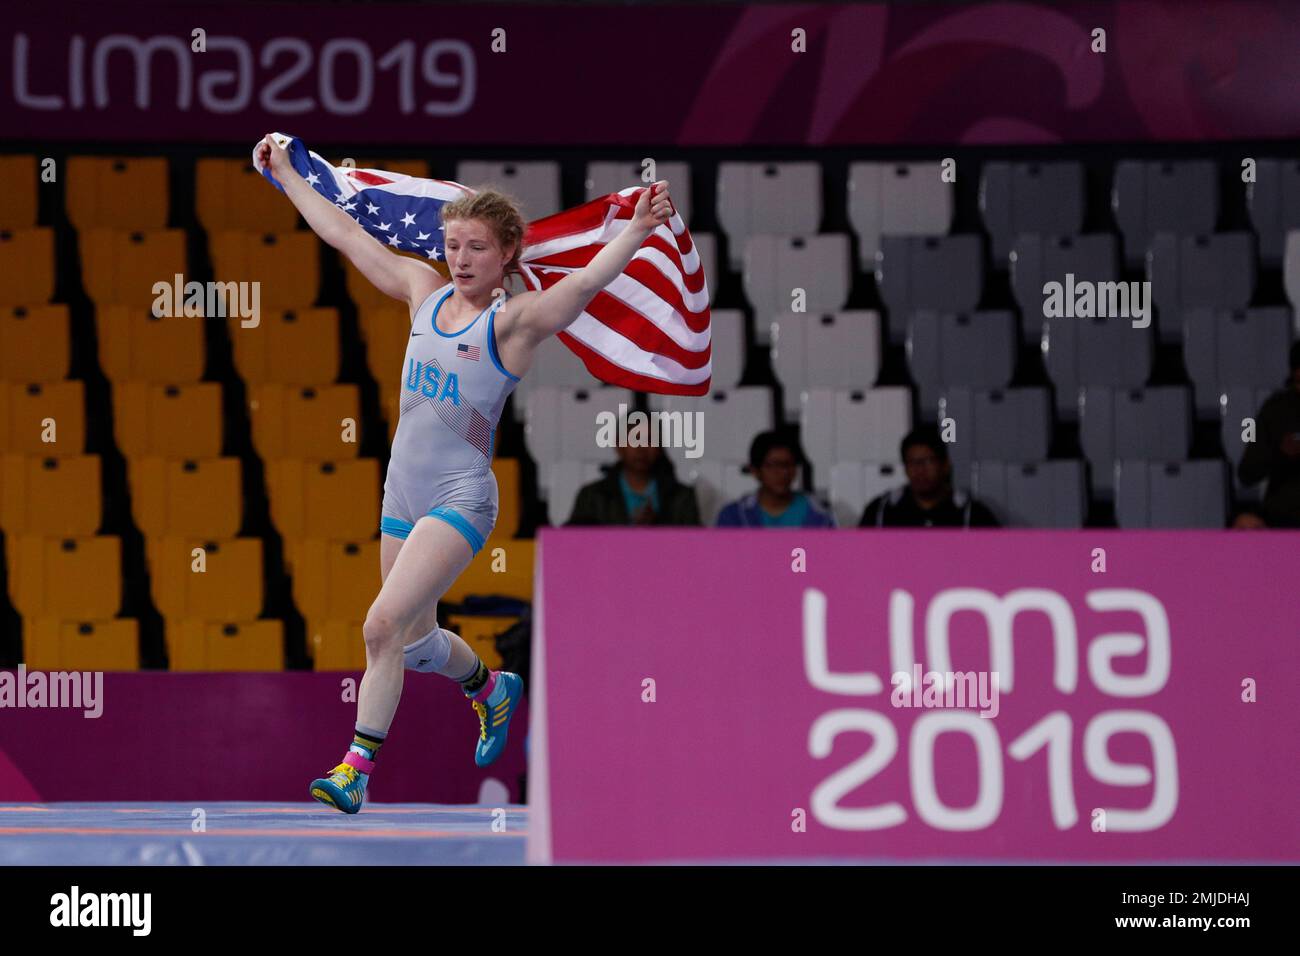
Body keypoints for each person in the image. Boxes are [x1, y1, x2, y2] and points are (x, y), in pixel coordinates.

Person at [255, 134, 677, 813]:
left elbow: (589, 282)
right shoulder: (420, 289)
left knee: (380, 628)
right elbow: (344, 235)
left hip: (460, 498)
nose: (460, 259)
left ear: (506, 252)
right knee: (415, 642)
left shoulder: (514, 325)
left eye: (477, 247)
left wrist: (635, 230)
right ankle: (490, 687)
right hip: (402, 494)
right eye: (453, 245)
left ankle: (354, 770)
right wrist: (286, 174)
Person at [859, 426, 1000, 527]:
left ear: (945, 465)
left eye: (928, 461)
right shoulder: (882, 511)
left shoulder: (972, 514)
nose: (920, 470)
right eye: (913, 462)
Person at [1237, 342, 1300, 528]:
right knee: (1244, 524)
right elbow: (1246, 473)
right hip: (1283, 515)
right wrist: (1280, 453)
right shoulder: (1275, 409)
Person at [715, 431, 835, 527]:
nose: (783, 473)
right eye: (774, 465)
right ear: (755, 470)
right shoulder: (733, 516)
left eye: (788, 465)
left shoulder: (820, 515)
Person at [565, 442, 701, 526]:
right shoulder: (592, 496)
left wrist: (658, 525)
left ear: (659, 447)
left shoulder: (682, 497)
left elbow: (694, 548)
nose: (641, 448)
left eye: (649, 440)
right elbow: (575, 544)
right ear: (619, 445)